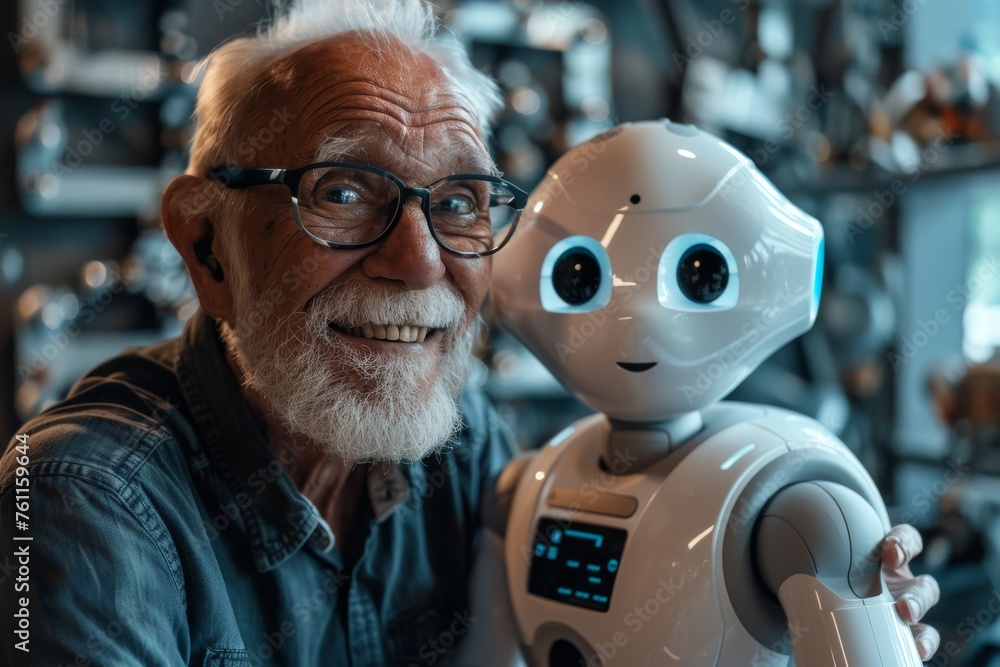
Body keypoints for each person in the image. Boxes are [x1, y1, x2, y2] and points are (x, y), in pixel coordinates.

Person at [0, 0, 940, 665]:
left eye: (458, 201)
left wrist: (808, 609)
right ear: (204, 245)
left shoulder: (463, 449)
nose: (419, 263)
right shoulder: (75, 501)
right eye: (342, 189)